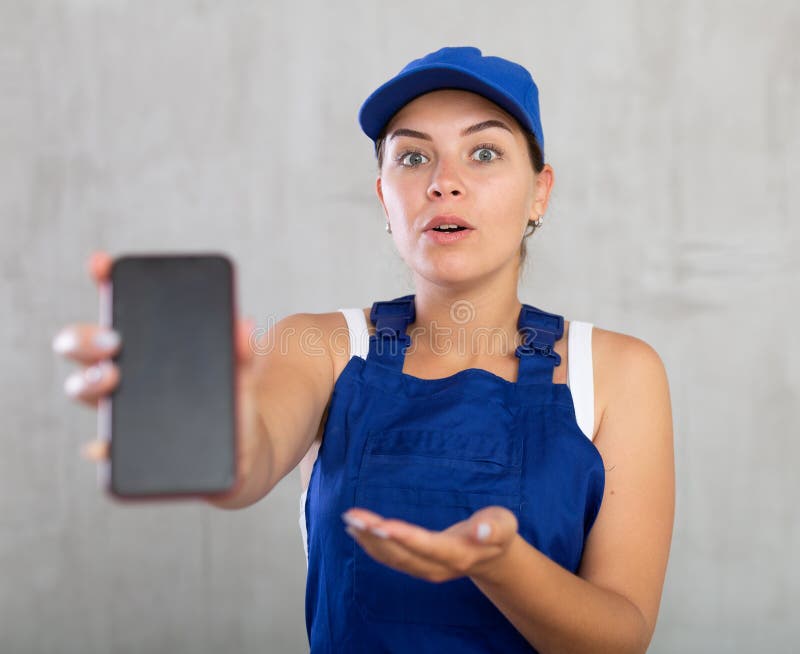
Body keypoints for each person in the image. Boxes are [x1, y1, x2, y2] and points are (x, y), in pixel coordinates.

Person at [53, 46, 674, 654]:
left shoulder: (618, 372)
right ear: (385, 197)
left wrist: (503, 566)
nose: (443, 184)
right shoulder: (319, 345)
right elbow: (249, 462)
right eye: (412, 157)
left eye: (483, 153)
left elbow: (620, 639)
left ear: (539, 193)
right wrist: (208, 426)